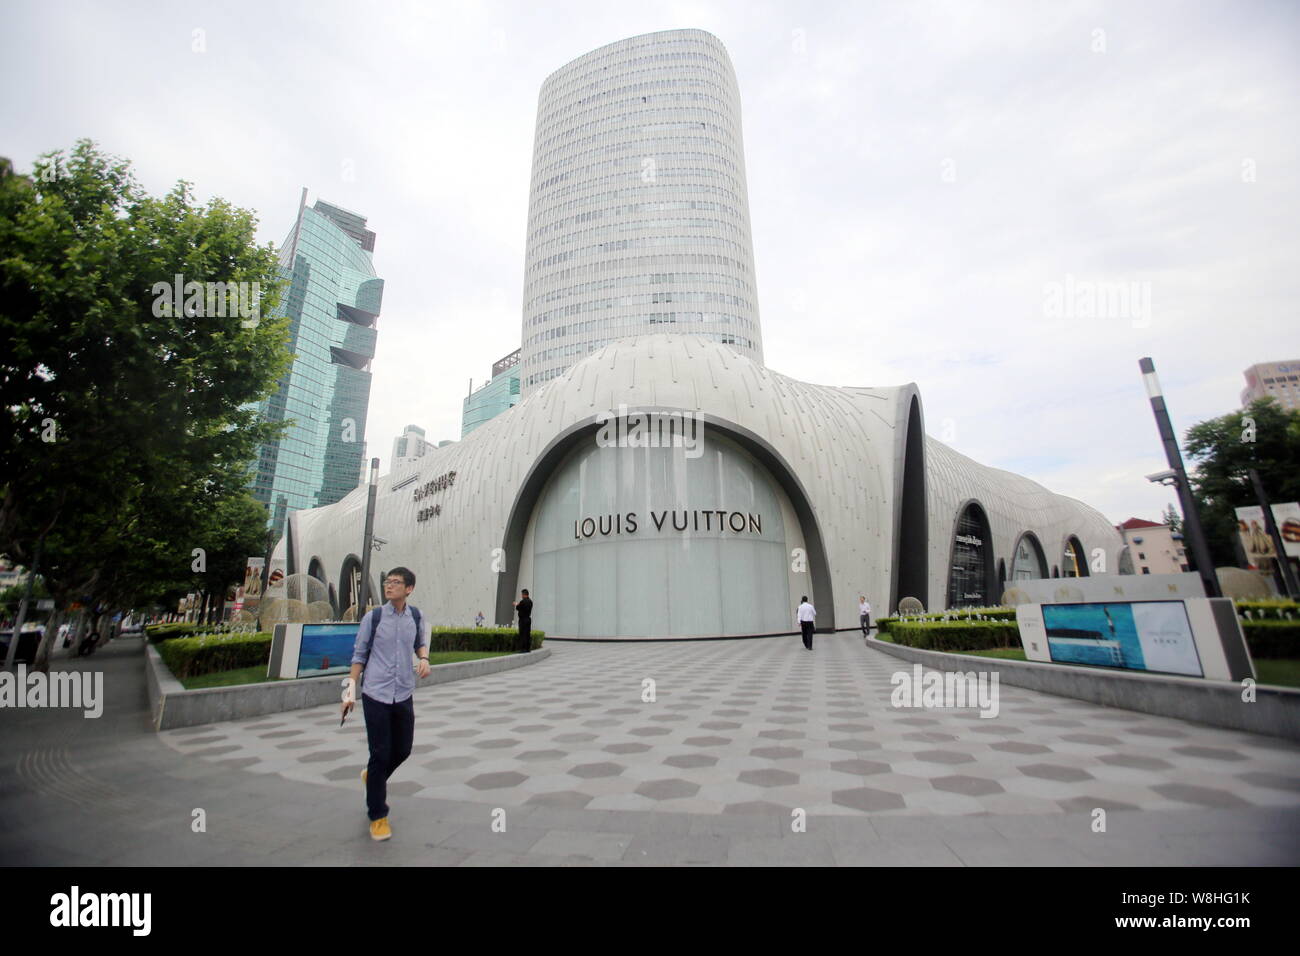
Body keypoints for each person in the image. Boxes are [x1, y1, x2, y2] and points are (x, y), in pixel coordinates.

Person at [342, 566, 430, 842]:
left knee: (402, 749)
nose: (389, 586)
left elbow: (419, 643)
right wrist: (350, 690)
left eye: (396, 582)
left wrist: (424, 658)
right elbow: (359, 654)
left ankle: (373, 777)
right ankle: (378, 815)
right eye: (387, 582)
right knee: (380, 752)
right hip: (375, 693)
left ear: (409, 589)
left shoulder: (415, 616)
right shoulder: (374, 617)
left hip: (403, 692)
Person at [513, 589, 533, 653]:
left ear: (524, 594)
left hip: (523, 620)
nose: (521, 596)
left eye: (522, 594)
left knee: (522, 634)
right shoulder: (530, 601)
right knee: (527, 634)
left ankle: (523, 649)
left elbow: (518, 608)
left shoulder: (522, 602)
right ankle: (528, 648)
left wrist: (516, 604)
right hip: (528, 619)